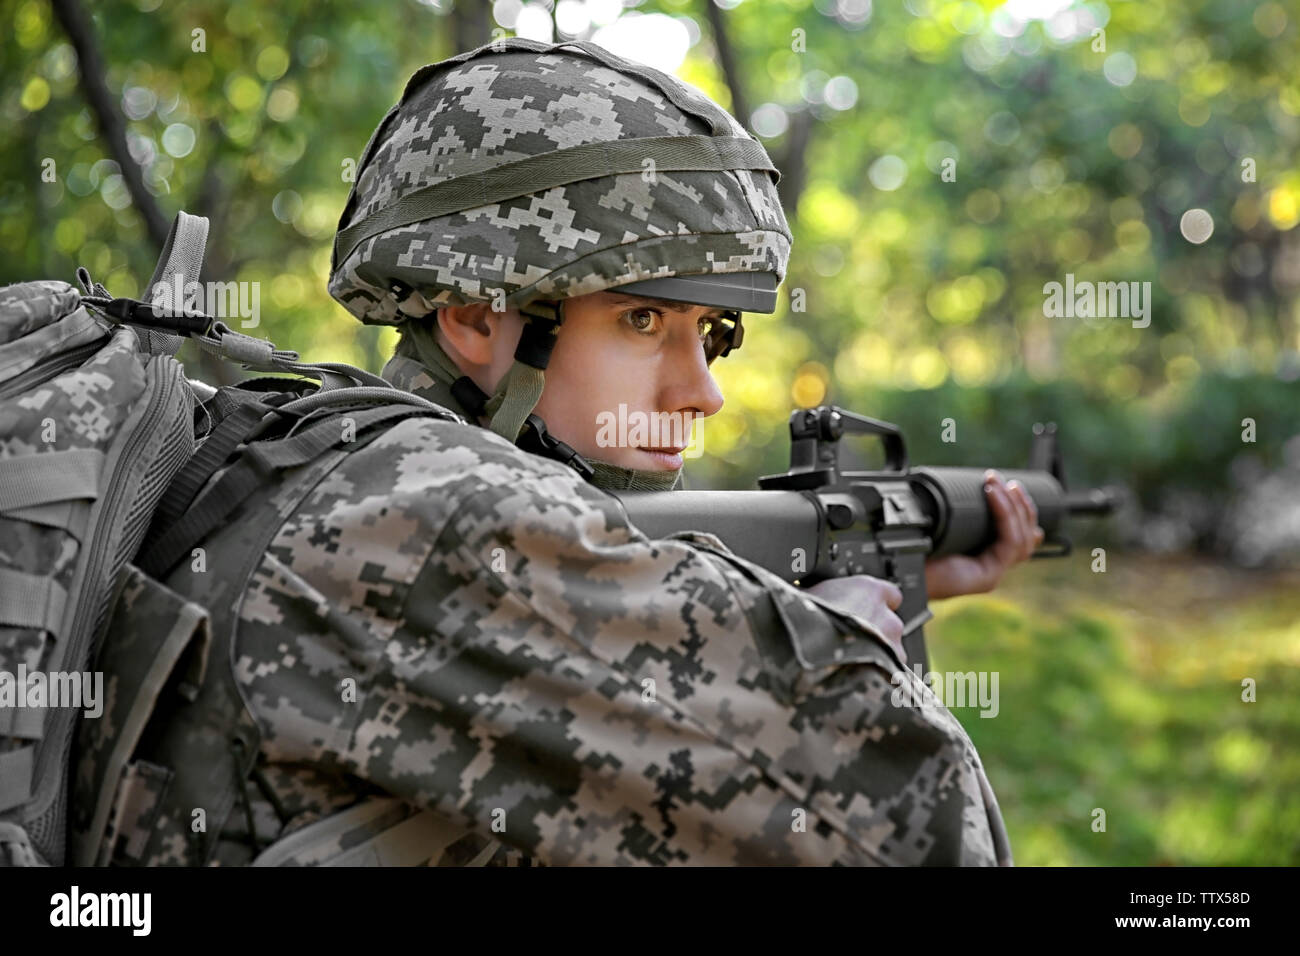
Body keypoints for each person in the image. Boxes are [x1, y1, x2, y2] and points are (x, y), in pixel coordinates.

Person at [88, 38, 1041, 866]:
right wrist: (846, 654)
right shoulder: (456, 518)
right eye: (642, 319)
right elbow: (914, 809)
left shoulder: (308, 453)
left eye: (710, 332)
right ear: (472, 313)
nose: (702, 390)